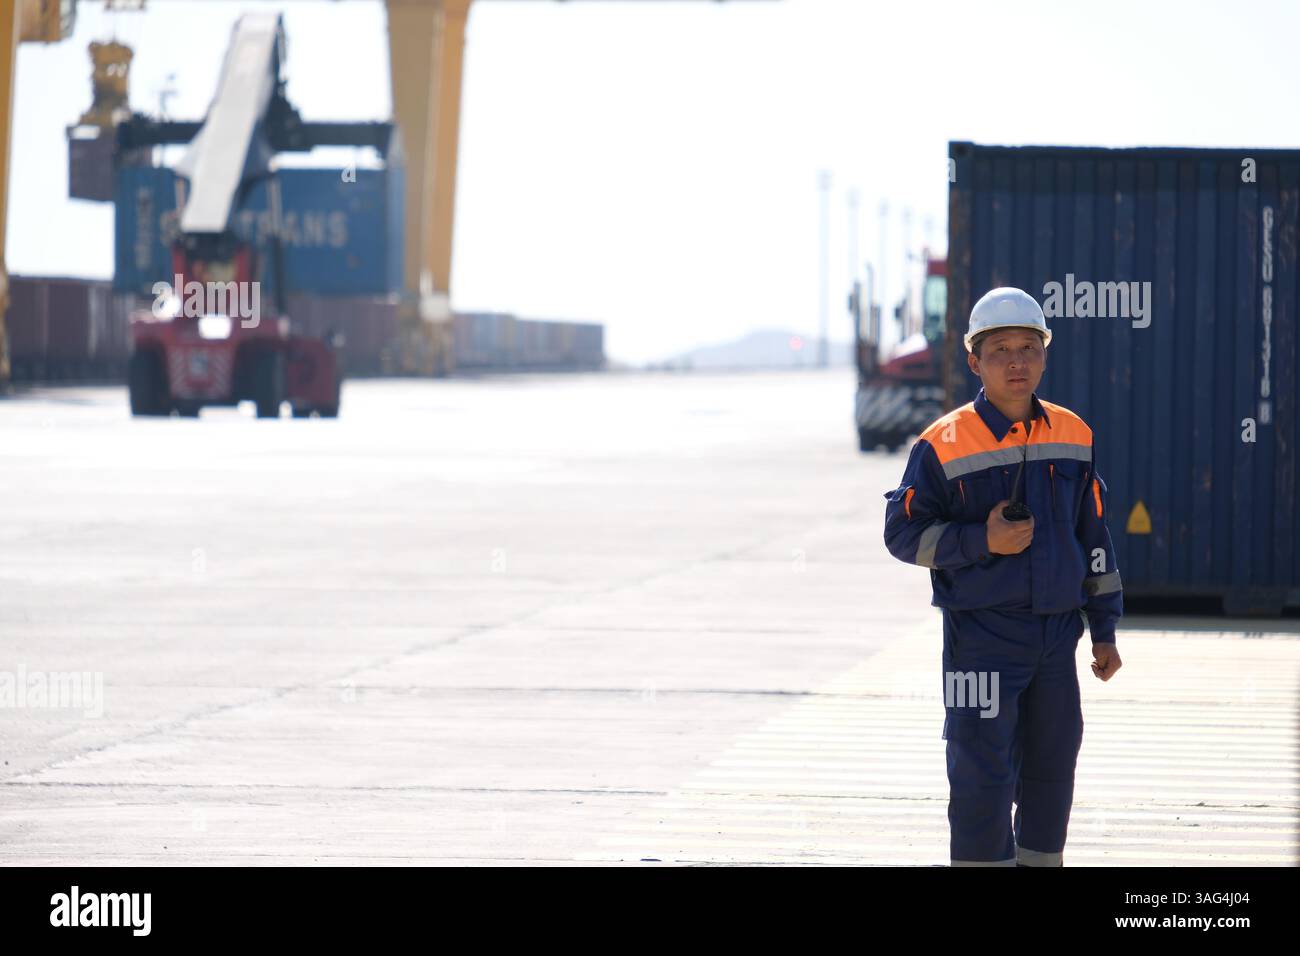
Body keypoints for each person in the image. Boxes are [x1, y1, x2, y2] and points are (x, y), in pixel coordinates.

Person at [882, 286, 1124, 867]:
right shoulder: (940, 444)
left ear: (1045, 353)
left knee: (1052, 766)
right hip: (979, 640)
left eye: (1028, 347)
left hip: (1055, 640)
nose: (1017, 362)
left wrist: (1105, 630)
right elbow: (902, 535)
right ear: (975, 361)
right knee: (980, 775)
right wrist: (979, 541)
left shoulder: (1073, 434)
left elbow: (1092, 538)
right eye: (1000, 351)